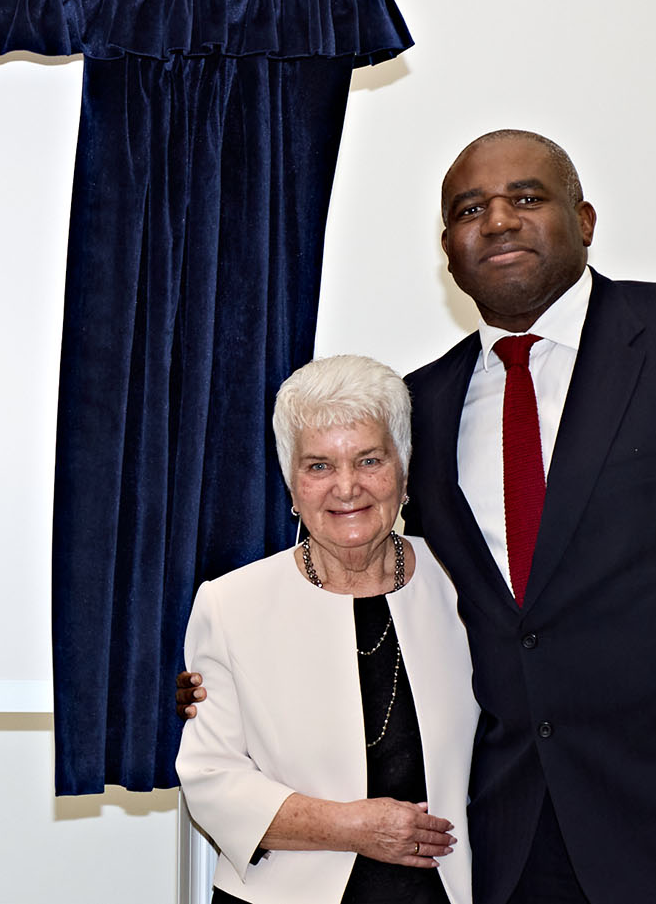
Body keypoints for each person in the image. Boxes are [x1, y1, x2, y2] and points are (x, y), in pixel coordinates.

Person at [188, 130, 656, 903]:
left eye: (526, 197)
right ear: (448, 248)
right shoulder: (426, 404)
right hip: (521, 836)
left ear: (584, 219)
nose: (499, 220)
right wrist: (214, 680)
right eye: (470, 209)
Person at [177, 354, 477, 904]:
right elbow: (211, 779)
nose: (346, 487)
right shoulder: (231, 603)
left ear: (404, 472)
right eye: (318, 466)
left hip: (448, 888)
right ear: (292, 486)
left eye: (369, 460)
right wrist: (353, 827)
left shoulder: (465, 582)